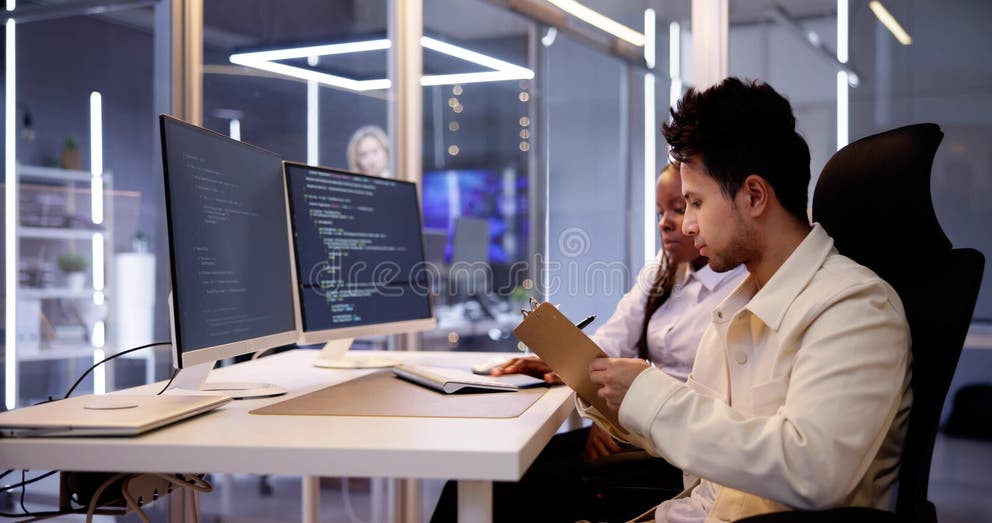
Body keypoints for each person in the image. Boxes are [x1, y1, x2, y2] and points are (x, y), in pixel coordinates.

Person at [583, 77, 912, 522]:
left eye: (695, 203)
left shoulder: (856, 309)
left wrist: (650, 396)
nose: (687, 226)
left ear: (754, 195)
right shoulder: (738, 307)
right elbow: (706, 440)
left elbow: (812, 471)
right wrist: (620, 398)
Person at [429, 162, 747, 522]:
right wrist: (559, 360)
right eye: (662, 211)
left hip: (664, 443)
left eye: (684, 206)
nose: (669, 222)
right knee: (475, 475)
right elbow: (611, 342)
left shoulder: (739, 292)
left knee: (497, 487)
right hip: (630, 425)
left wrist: (621, 412)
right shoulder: (662, 273)